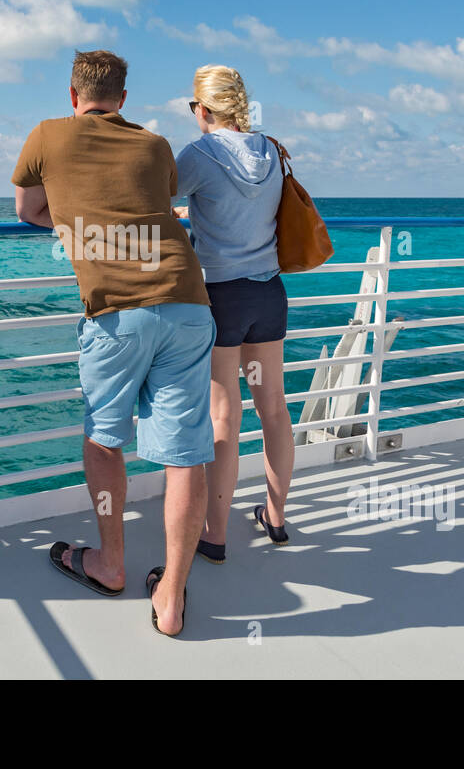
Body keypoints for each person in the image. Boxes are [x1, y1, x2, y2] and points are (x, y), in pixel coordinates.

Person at [12, 50, 216, 637]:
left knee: (104, 441)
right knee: (184, 455)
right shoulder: (154, 145)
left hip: (117, 312)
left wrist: (75, 217)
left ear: (72, 95)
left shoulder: (47, 135)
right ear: (123, 99)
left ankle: (110, 563)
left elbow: (28, 210)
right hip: (187, 299)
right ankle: (171, 599)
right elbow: (156, 202)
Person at [172, 64, 292, 561]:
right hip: (269, 293)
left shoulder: (200, 154)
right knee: (274, 409)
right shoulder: (271, 150)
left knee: (224, 416)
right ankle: (276, 518)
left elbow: (154, 200)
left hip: (223, 295)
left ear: (202, 108)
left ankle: (215, 535)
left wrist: (187, 214)